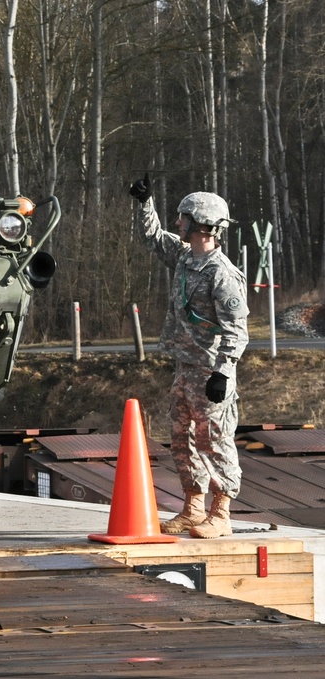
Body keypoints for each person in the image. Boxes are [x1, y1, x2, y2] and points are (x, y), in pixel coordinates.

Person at [129, 174, 249, 539]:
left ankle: (221, 512)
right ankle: (193, 508)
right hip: (186, 367)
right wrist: (143, 204)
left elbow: (237, 329)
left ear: (200, 224)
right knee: (182, 439)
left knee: (215, 437)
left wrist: (223, 372)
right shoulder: (185, 257)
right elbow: (152, 237)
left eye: (182, 217)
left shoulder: (222, 274)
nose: (177, 222)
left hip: (210, 370)